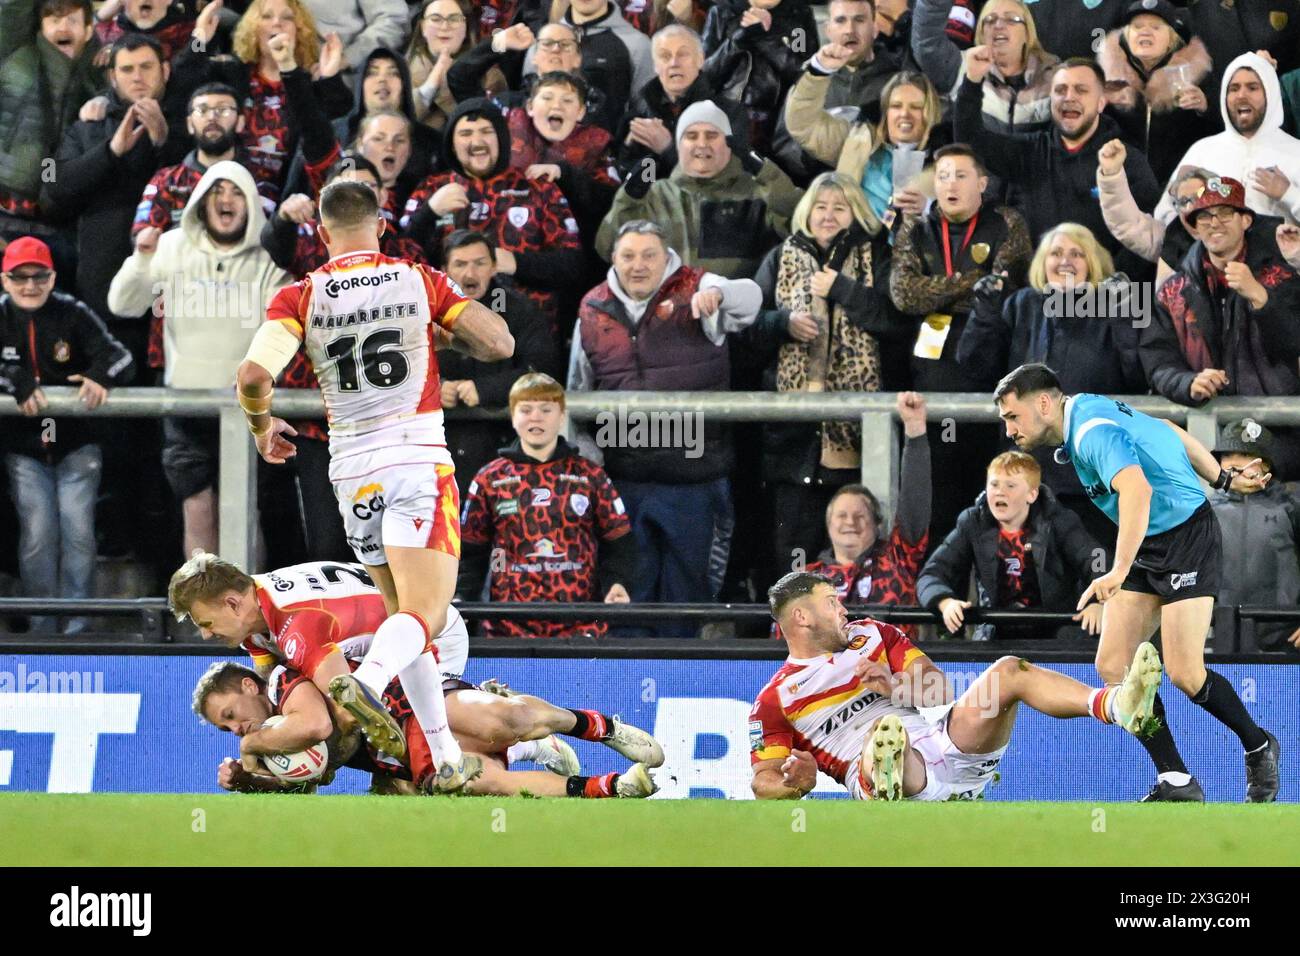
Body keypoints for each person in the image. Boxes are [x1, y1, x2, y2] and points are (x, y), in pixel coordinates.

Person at [234, 178, 513, 792]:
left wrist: (261, 429)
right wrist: (445, 325)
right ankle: (367, 681)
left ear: (321, 233)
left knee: (400, 614)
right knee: (428, 615)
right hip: (415, 456)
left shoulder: (300, 295)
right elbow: (500, 342)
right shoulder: (419, 279)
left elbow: (253, 376)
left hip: (350, 468)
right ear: (382, 223)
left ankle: (442, 760)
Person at [993, 362, 1281, 802]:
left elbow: (1138, 491)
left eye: (1013, 416)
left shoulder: (1090, 433)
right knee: (1114, 667)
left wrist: (1119, 570)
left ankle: (1258, 744)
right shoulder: (1085, 409)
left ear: (1045, 404)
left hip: (1186, 537)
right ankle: (1177, 780)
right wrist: (1221, 478)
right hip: (1148, 538)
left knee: (1186, 673)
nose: (1009, 429)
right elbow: (1167, 428)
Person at [173, 555, 664, 785]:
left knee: (484, 728)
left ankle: (588, 727)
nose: (205, 632)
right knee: (420, 780)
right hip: (377, 652)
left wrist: (286, 758)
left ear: (232, 601)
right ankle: (527, 752)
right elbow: (285, 684)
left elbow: (339, 719)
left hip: (431, 633)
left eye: (204, 620)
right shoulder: (256, 619)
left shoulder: (299, 625)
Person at [750, 572, 1163, 800]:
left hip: (946, 745)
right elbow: (762, 779)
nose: (843, 609)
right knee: (882, 737)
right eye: (830, 603)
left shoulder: (872, 635)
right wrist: (795, 784)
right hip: (876, 772)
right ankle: (898, 787)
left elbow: (939, 691)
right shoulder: (775, 700)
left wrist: (897, 688)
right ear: (802, 618)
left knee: (1008, 670)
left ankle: (1117, 705)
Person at [570, 219, 761, 617]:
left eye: (648, 255)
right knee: (625, 601)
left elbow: (752, 300)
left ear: (667, 258)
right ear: (613, 259)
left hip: (695, 480)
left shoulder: (698, 286)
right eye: (628, 255)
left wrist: (719, 293)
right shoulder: (591, 307)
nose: (637, 265)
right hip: (623, 480)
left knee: (688, 604)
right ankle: (625, 680)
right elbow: (578, 392)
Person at [107, 160, 291, 558]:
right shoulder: (172, 246)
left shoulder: (268, 256)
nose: (226, 201)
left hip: (247, 408)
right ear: (201, 203)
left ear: (250, 204)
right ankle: (204, 620)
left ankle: (249, 618)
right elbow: (122, 305)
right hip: (185, 406)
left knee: (243, 514)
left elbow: (284, 326)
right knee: (197, 512)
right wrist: (141, 259)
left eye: (236, 192)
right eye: (217, 193)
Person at [748, 172, 916, 578]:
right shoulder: (779, 256)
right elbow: (748, 328)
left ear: (855, 213)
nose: (828, 215)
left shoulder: (877, 256)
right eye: (821, 206)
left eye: (839, 207)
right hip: (794, 441)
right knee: (792, 558)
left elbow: (897, 321)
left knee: (860, 556)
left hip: (859, 440)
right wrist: (782, 323)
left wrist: (843, 289)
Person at [196, 659, 659, 798]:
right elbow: (312, 779)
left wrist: (254, 745)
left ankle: (600, 728)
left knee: (510, 721)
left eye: (231, 714)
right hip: (395, 756)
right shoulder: (275, 740)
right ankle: (613, 788)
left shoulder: (284, 682)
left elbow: (317, 727)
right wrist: (249, 782)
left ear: (248, 684)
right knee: (491, 783)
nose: (238, 729)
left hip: (411, 701)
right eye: (228, 729)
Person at [0, 236, 134, 634]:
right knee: (38, 533)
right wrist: (12, 379)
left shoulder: (72, 313)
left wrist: (98, 375)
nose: (29, 286)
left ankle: (78, 627)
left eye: (38, 277)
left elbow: (121, 357)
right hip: (25, 447)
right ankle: (43, 627)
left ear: (52, 277)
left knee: (77, 530)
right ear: (4, 280)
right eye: (19, 278)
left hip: (76, 444)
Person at [1139, 175, 1300, 480]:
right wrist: (1188, 383)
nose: (1215, 223)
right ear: (1195, 228)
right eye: (1205, 216)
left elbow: (1295, 345)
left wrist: (1261, 298)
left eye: (1225, 213)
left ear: (1246, 221)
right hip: (1206, 439)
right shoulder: (1173, 291)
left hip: (1282, 439)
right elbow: (1157, 362)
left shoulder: (1283, 276)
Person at [459, 373, 637, 637]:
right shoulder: (490, 478)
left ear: (562, 415)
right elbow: (471, 552)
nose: (536, 417)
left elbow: (619, 542)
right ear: (512, 415)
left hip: (581, 627)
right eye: (526, 409)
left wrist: (617, 583)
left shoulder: (590, 476)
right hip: (506, 629)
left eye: (546, 409)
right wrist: (461, 598)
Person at [955, 52, 1162, 276]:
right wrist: (973, 80)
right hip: (1040, 291)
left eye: (1081, 90)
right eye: (1060, 90)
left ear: (1101, 102)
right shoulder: (1029, 152)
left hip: (1103, 297)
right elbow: (970, 141)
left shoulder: (1127, 161)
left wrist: (1106, 286)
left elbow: (1143, 240)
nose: (1069, 97)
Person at [400, 98, 585, 331]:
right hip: (449, 331)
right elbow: (398, 267)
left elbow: (572, 266)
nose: (477, 140)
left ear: (502, 139)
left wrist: (516, 263)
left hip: (527, 329)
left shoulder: (537, 187)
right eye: (466, 133)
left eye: (486, 131)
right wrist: (428, 213)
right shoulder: (431, 190)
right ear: (452, 144)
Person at [598, 100, 801, 280]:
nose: (702, 144)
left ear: (729, 144)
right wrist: (628, 198)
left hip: (740, 316)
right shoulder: (654, 195)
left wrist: (765, 172)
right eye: (691, 136)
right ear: (679, 146)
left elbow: (800, 225)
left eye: (712, 135)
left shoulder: (758, 192)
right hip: (668, 315)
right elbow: (607, 248)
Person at [917, 450, 1104, 641]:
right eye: (994, 484)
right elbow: (931, 575)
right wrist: (945, 602)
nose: (1000, 491)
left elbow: (1100, 562)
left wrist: (1098, 602)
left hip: (1054, 637)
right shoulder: (972, 522)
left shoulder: (1060, 521)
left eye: (1011, 485)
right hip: (995, 637)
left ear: (1031, 494)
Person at [437, 230, 562, 496]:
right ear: (444, 270)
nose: (470, 273)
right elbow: (402, 370)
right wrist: (437, 388)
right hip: (439, 456)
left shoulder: (519, 310)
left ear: (494, 266)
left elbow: (543, 371)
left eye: (480, 263)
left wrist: (485, 389)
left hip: (503, 453)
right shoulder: (426, 313)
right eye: (460, 264)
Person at [785, 67, 945, 228]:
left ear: (930, 113)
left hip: (909, 250)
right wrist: (818, 71)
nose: (904, 114)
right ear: (885, 111)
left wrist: (928, 207)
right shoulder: (859, 139)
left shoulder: (946, 162)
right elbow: (802, 124)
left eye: (915, 107)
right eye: (896, 106)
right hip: (851, 246)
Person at [1153, 52, 1300, 227]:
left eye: (1252, 88)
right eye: (1234, 88)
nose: (1241, 96)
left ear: (1270, 94)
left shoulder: (1295, 152)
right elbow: (1163, 216)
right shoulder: (1202, 151)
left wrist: (1289, 194)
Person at [0, 0, 101, 252]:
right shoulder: (18, 51)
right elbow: (12, 10)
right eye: (54, 20)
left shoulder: (96, 69)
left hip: (58, 212)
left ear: (88, 30)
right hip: (6, 204)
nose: (62, 27)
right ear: (41, 26)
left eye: (72, 20)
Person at [1096, 0, 1215, 184]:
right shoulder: (1105, 79)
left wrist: (1205, 107)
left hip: (1180, 188)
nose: (1145, 31)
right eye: (1137, 26)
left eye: (1156, 27)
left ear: (1172, 37)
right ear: (1126, 35)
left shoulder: (1197, 76)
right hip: (1122, 185)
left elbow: (1218, 135)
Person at [1207, 420, 1300, 654]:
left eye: (1246, 455)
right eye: (1228, 455)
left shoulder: (1291, 508)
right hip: (1219, 634)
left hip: (1286, 637)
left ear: (1266, 465)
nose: (1235, 464)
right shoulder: (1203, 511)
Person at [616, 24, 746, 181]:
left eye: (683, 54)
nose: (674, 63)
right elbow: (634, 184)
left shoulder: (728, 114)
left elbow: (726, 182)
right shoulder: (639, 114)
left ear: (700, 60)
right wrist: (628, 150)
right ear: (655, 66)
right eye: (665, 56)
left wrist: (667, 149)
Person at [912, 0, 1058, 135]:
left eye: (1011, 19)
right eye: (990, 20)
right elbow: (927, 42)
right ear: (981, 34)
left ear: (1027, 33)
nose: (999, 25)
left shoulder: (1057, 78)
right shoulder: (960, 68)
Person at [700, 0, 820, 155]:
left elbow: (805, 76)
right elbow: (705, 77)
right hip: (728, 121)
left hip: (783, 123)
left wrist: (767, 37)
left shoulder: (799, 14)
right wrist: (734, 44)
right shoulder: (722, 13)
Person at [1096, 145, 1215, 284]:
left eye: (1199, 195)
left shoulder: (1240, 232)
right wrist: (1112, 174)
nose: (1191, 207)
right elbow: (1129, 224)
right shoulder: (1172, 240)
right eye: (1183, 201)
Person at [407, 0, 503, 132]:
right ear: (422, 27)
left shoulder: (490, 76)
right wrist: (431, 85)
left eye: (454, 19)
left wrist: (450, 78)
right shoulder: (400, 72)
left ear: (466, 28)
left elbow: (489, 128)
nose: (445, 26)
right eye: (435, 19)